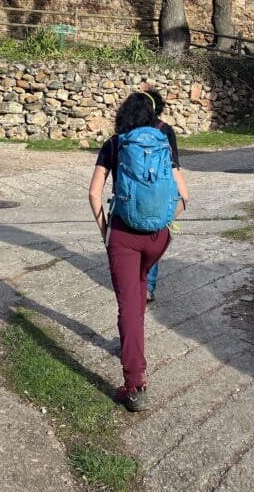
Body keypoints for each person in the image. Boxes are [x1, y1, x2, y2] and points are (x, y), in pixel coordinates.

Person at [88, 91, 188, 412]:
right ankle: (135, 346)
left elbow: (93, 195)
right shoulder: (162, 143)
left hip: (124, 237)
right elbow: (184, 195)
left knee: (129, 306)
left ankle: (135, 385)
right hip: (158, 237)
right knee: (141, 284)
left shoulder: (114, 145)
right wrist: (164, 223)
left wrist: (107, 232)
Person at [142, 89, 189, 302]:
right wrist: (183, 195)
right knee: (156, 234)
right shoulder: (164, 129)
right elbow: (173, 164)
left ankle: (134, 281)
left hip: (134, 195)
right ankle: (148, 286)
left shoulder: (127, 129)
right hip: (160, 193)